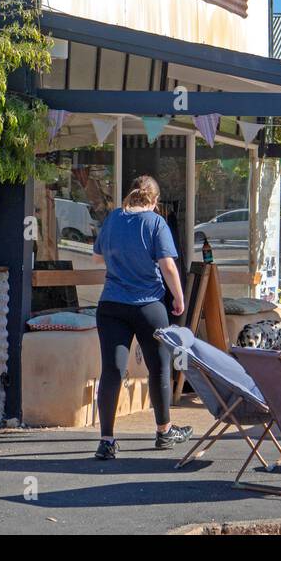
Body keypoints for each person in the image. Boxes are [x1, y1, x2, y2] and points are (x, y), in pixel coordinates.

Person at [91, 174, 192, 460]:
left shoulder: (112, 219)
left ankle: (107, 441)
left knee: (112, 371)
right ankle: (164, 431)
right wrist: (179, 297)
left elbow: (98, 257)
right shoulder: (155, 222)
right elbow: (168, 266)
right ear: (155, 200)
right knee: (159, 367)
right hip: (148, 306)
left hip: (111, 305)